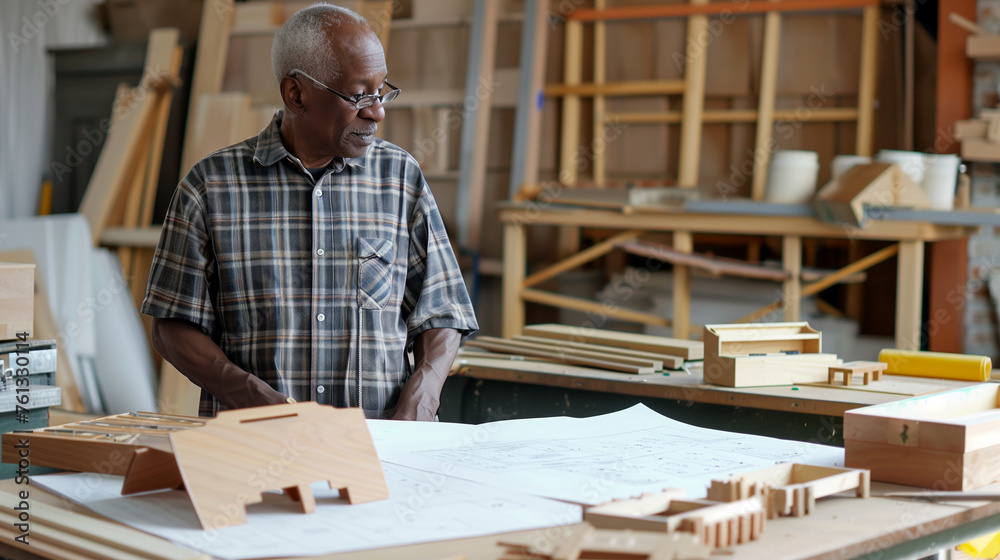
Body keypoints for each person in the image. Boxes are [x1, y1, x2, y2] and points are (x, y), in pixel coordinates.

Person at [141, 3, 477, 421]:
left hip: (382, 446)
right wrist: (254, 399)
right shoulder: (211, 187)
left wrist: (423, 397)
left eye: (381, 90)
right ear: (296, 94)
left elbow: (442, 311)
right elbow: (172, 326)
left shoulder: (399, 178)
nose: (377, 111)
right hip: (253, 447)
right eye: (358, 95)